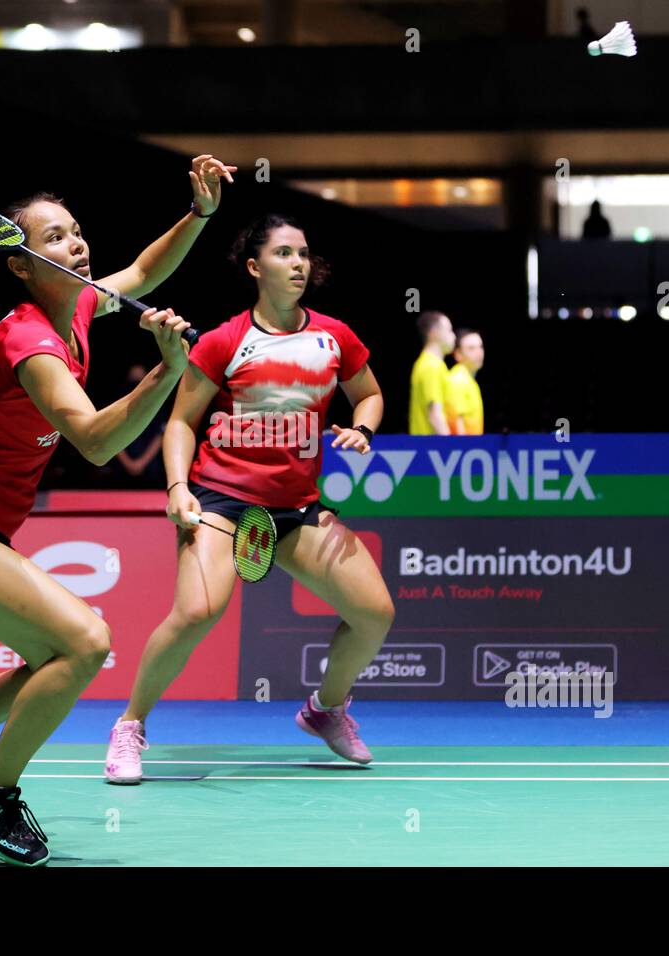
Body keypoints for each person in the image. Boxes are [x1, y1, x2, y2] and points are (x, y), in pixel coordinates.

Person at [0, 155, 236, 866]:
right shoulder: (28, 339)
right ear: (22, 266)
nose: (78, 245)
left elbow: (143, 271)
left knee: (50, 656)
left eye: (76, 232)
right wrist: (168, 370)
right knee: (87, 641)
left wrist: (201, 215)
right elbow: (97, 442)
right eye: (57, 239)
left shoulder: (79, 312)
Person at [103, 213, 395, 784]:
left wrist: (363, 428)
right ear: (256, 267)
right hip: (220, 499)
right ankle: (130, 725)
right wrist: (178, 487)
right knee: (195, 612)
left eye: (305, 254)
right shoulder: (223, 341)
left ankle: (326, 710)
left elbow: (371, 394)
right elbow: (182, 423)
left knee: (374, 614)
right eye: (286, 254)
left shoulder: (335, 337)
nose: (299, 264)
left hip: (296, 505)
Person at [114, 364, 167, 486]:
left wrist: (141, 463)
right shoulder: (118, 404)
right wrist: (128, 463)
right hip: (122, 471)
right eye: (133, 381)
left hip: (150, 470)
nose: (136, 385)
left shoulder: (157, 402)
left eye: (140, 380)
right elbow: (109, 432)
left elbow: (161, 435)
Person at [409, 311, 455, 435]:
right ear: (434, 333)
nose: (453, 336)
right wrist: (452, 449)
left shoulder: (428, 363)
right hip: (431, 448)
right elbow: (435, 415)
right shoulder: (431, 366)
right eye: (449, 330)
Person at [445, 328, 484, 434]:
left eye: (480, 347)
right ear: (458, 354)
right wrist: (462, 448)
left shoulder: (471, 382)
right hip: (464, 449)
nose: (478, 352)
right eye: (471, 348)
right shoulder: (457, 380)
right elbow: (456, 422)